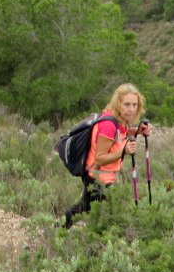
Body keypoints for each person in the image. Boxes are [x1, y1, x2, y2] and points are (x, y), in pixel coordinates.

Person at [62, 83, 152, 228]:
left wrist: (138, 131)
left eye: (135, 105)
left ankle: (59, 229)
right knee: (97, 210)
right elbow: (100, 158)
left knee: (86, 207)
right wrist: (124, 152)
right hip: (96, 177)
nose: (131, 109)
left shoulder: (121, 120)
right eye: (127, 104)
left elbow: (120, 134)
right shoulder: (109, 125)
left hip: (105, 177)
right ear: (118, 104)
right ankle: (60, 230)